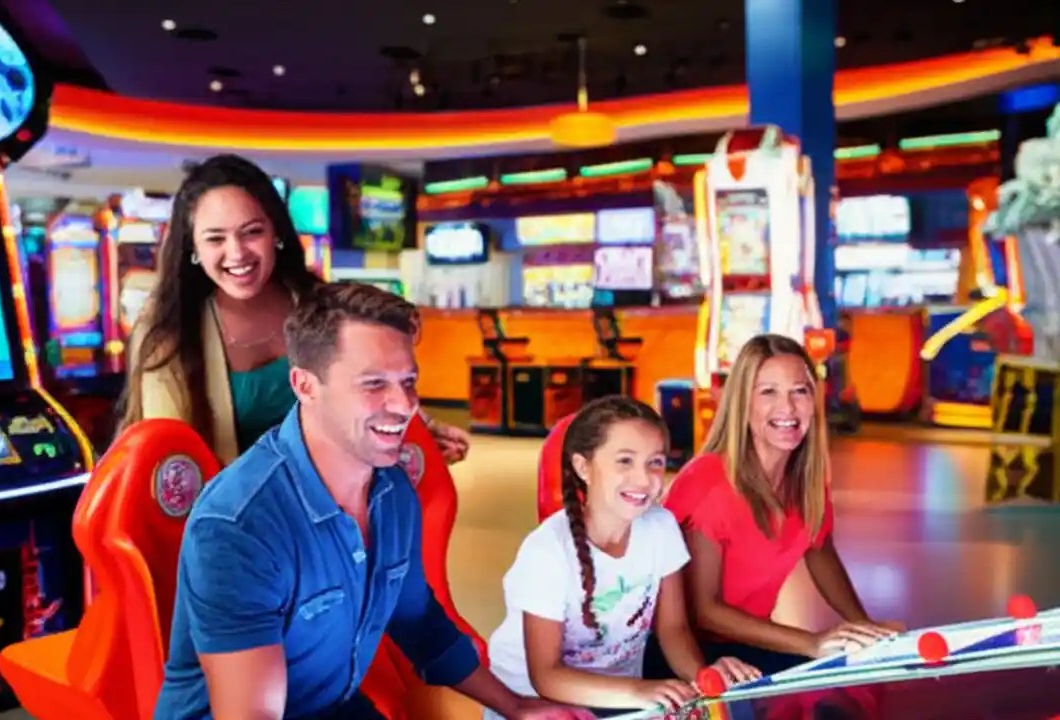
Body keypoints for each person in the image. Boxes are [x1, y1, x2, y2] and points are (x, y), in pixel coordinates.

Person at [153, 282, 592, 720]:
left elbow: (420, 623)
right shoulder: (240, 525)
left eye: (408, 381)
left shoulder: (392, 490)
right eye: (374, 384)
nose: (403, 405)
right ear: (305, 385)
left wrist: (517, 707)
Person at [119, 153, 470, 464]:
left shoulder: (325, 307)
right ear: (192, 248)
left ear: (276, 233)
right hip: (234, 523)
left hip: (339, 513)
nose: (237, 252)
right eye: (215, 238)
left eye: (251, 231)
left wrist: (417, 434)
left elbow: (373, 388)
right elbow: (167, 464)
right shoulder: (168, 330)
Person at [486, 396, 759, 717]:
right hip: (535, 704)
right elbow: (546, 676)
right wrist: (639, 690)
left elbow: (673, 630)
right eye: (625, 461)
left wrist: (702, 680)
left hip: (621, 702)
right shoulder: (546, 552)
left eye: (655, 462)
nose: (643, 479)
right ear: (583, 466)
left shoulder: (661, 527)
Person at [662, 334, 902, 676]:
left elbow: (820, 549)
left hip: (748, 640)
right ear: (742, 402)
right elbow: (705, 610)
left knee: (847, 685)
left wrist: (863, 628)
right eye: (768, 392)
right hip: (687, 653)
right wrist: (813, 642)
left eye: (799, 391)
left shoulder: (805, 479)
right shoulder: (709, 481)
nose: (787, 408)